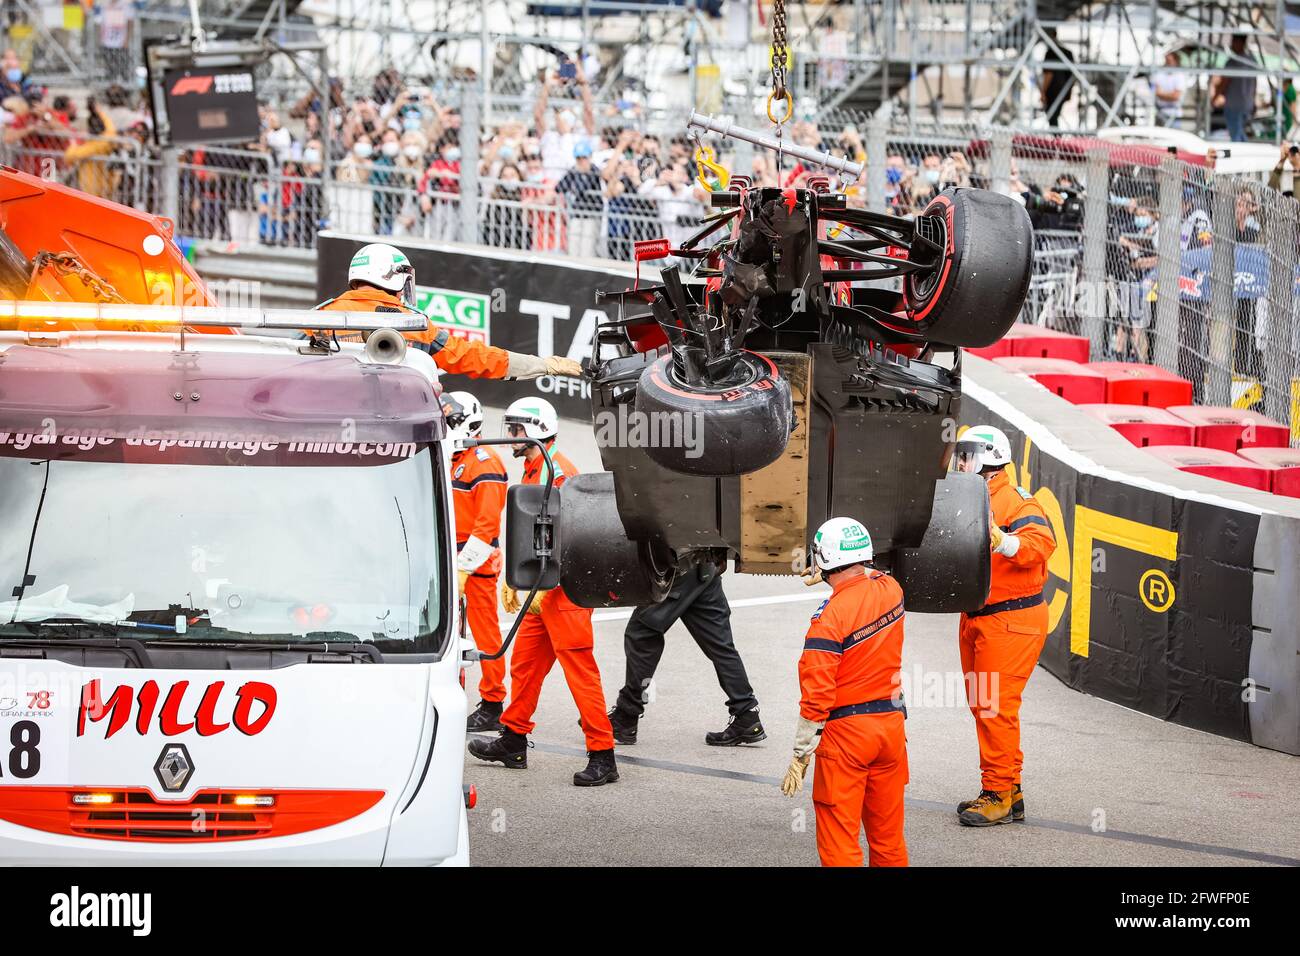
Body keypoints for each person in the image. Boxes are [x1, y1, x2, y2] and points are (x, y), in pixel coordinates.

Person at [468, 399, 619, 787]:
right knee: (525, 666)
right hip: (543, 589)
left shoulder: (556, 472)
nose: (510, 436)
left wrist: (539, 584)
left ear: (533, 430)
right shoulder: (538, 468)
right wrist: (516, 578)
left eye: (515, 429)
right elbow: (535, 536)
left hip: (562, 593)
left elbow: (566, 537)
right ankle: (513, 739)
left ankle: (603, 755)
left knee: (580, 672)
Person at [780, 517, 908, 867]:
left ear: (824, 559)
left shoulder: (828, 619)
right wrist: (829, 569)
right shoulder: (891, 589)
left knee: (840, 843)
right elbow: (868, 575)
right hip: (891, 731)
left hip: (848, 737)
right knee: (888, 839)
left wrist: (801, 754)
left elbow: (817, 694)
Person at [951, 426, 1056, 827]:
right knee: (985, 705)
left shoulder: (1015, 499)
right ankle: (1008, 790)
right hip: (980, 615)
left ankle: (996, 793)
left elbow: (1041, 543)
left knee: (995, 708)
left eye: (968, 455)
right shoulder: (970, 494)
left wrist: (1002, 540)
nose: (961, 462)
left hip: (1012, 618)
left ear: (989, 459)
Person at [316, 242, 583, 380]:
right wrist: (543, 365)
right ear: (392, 277)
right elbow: (474, 358)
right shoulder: (415, 326)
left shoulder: (318, 317)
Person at [608, 558, 764, 746]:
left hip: (682, 565)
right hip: (706, 567)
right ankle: (747, 714)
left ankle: (626, 716)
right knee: (720, 646)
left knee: (642, 633)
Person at [442, 391, 511, 733]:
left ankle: (494, 702)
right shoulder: (454, 457)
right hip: (454, 565)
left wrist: (463, 568)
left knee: (485, 637)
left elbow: (486, 528)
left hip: (475, 567)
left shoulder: (484, 463)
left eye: (451, 420)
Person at [1212, 34, 1258, 142]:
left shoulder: (1232, 62)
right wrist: (1253, 100)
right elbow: (1255, 83)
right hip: (1247, 104)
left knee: (1236, 135)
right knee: (1240, 133)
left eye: (1234, 41)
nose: (1232, 44)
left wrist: (1214, 98)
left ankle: (1244, 156)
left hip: (1234, 105)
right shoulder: (1252, 61)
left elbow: (1224, 83)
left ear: (1240, 42)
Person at [1151, 51, 1187, 127]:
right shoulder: (1159, 74)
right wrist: (1170, 95)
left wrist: (1163, 94)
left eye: (1170, 61)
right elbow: (1157, 93)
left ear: (1176, 61)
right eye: (1166, 60)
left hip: (1175, 115)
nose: (1168, 63)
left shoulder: (1180, 75)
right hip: (1160, 113)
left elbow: (1176, 96)